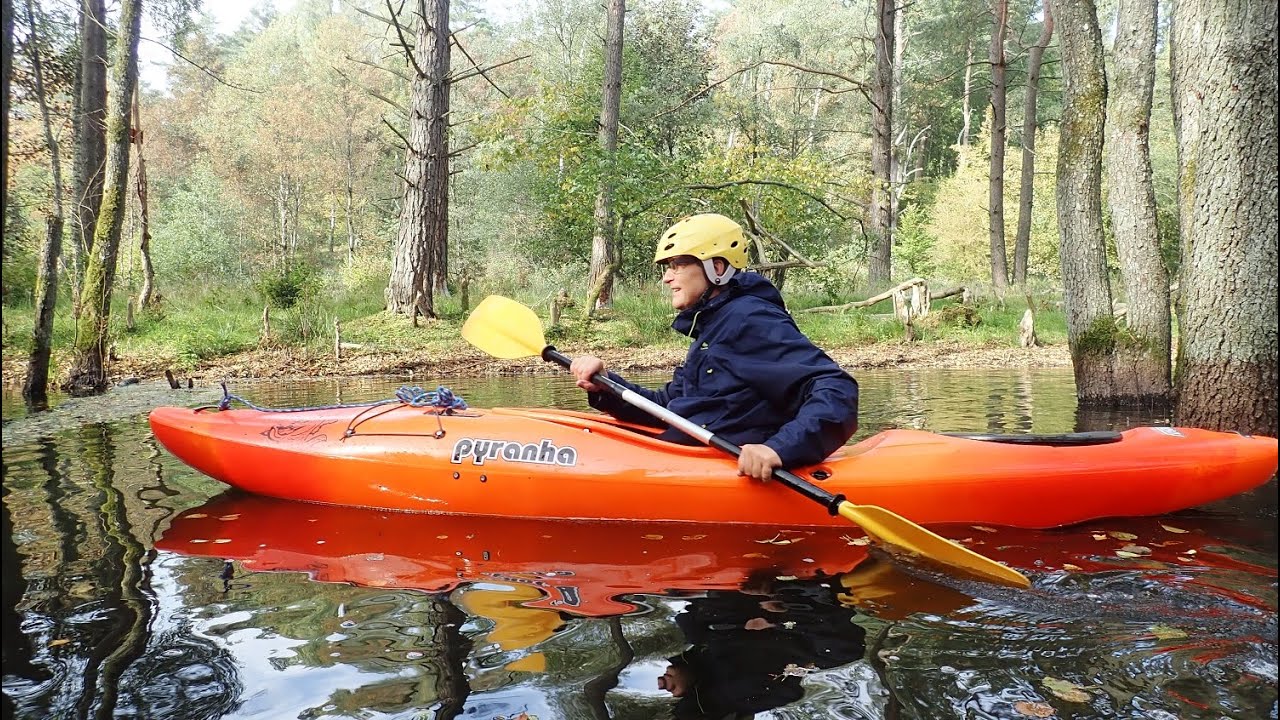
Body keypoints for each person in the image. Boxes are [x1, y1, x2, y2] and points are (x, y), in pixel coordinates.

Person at [569, 213, 859, 481]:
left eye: (678, 265)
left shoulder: (749, 319)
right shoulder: (713, 327)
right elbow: (670, 407)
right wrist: (604, 384)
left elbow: (836, 388)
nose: (667, 277)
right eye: (668, 267)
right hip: (690, 457)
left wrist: (778, 449)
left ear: (716, 268)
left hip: (726, 470)